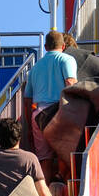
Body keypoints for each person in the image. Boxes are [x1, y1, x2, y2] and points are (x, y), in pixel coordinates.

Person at [23, 30, 77, 183]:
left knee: (44, 159)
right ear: (64, 45)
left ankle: (45, 194)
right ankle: (61, 180)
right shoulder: (67, 59)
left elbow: (27, 100)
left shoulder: (35, 68)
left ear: (45, 47)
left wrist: (28, 125)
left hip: (38, 115)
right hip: (58, 111)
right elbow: (71, 83)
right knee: (64, 150)